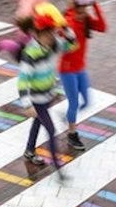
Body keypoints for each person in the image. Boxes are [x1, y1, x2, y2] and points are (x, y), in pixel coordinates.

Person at [17, 11, 77, 179]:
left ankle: (29, 151)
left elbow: (73, 44)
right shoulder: (30, 53)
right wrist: (27, 104)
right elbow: (22, 81)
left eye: (52, 31)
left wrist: (64, 27)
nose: (51, 36)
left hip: (47, 96)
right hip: (36, 99)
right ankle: (58, 169)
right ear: (37, 34)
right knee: (50, 130)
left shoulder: (56, 45)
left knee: (37, 122)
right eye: (47, 33)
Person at [59, 0, 106, 151]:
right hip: (67, 69)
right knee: (73, 102)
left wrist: (95, 5)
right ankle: (72, 134)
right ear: (74, 6)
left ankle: (69, 118)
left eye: (85, 7)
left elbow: (102, 27)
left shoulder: (85, 19)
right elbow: (59, 43)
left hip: (80, 68)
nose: (83, 11)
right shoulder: (67, 21)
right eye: (81, 7)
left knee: (86, 102)